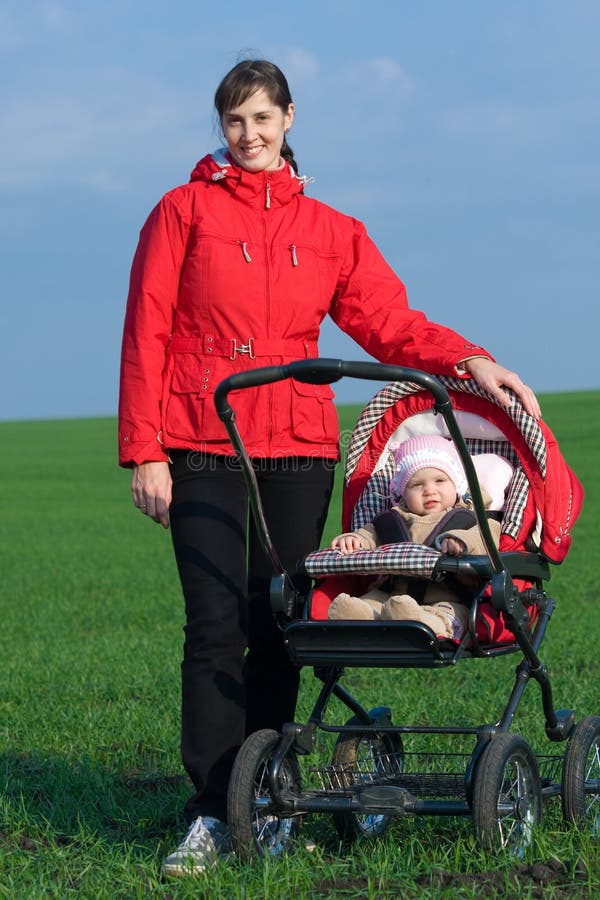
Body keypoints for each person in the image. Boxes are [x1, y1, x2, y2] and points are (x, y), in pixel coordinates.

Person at [118, 58, 541, 877]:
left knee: (279, 621)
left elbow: (390, 322)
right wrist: (144, 449)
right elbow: (146, 331)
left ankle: (266, 796)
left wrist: (475, 361)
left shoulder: (333, 229)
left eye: (263, 119)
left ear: (288, 119)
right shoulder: (181, 212)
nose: (248, 135)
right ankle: (210, 810)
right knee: (213, 626)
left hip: (299, 447)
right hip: (205, 435)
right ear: (222, 129)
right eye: (234, 121)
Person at [327, 435, 510, 638]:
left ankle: (422, 623)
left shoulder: (468, 518)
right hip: (393, 594)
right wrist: (355, 539)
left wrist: (462, 540)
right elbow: (370, 534)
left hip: (449, 596)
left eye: (440, 481)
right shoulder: (393, 519)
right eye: (417, 485)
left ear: (456, 484)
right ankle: (357, 616)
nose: (429, 490)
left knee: (447, 614)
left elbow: (487, 536)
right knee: (374, 601)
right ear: (403, 493)